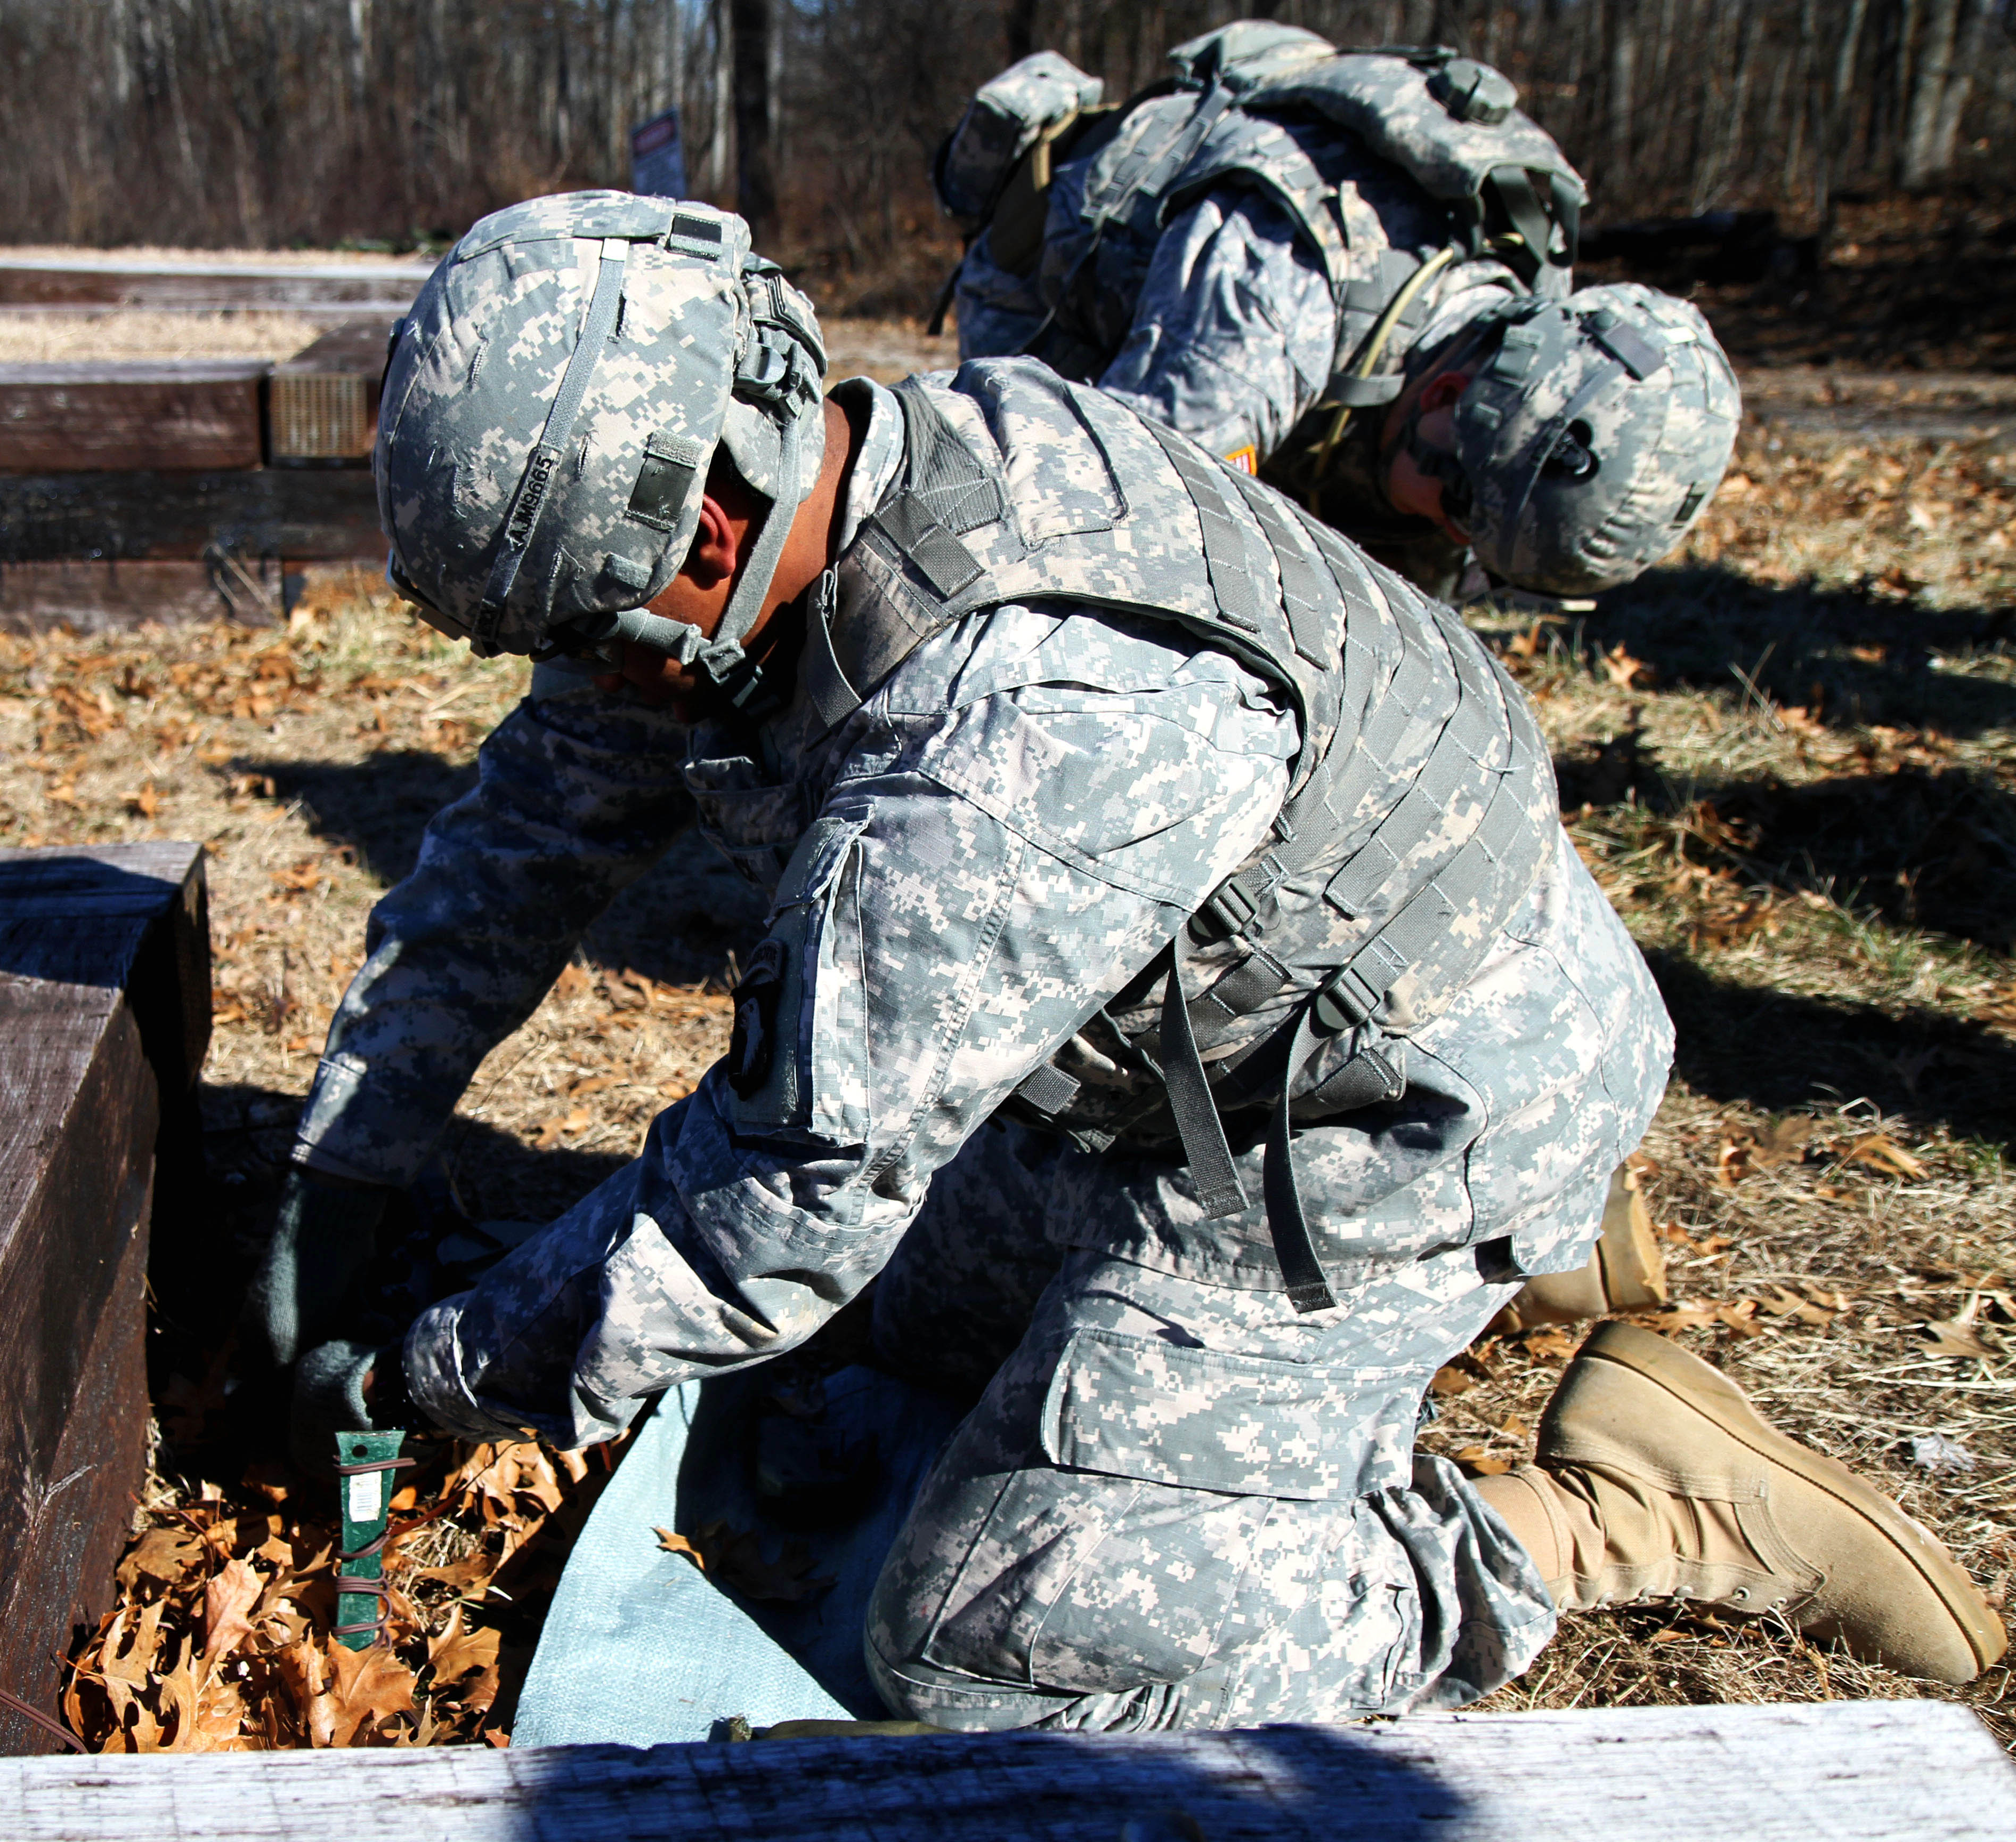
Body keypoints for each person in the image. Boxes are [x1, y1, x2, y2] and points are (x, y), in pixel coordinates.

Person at [256, 191, 2002, 1729]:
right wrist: (349, 1158)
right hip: (1217, 1067)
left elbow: (787, 1197)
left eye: (575, 636)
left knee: (986, 1642)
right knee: (867, 1361)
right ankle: (1474, 1275)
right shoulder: (799, 502)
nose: (580, 679)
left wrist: (450, 1367)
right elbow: (514, 850)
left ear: (701, 533)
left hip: (1370, 1122)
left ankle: (1607, 1503)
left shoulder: (1019, 719)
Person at [933, 23, 1740, 600]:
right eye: (1460, 520)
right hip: (1055, 288)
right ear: (1445, 395)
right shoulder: (1261, 314)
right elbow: (1099, 526)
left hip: (1319, 387)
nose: (1457, 547)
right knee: (1006, 525)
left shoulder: (1517, 389)